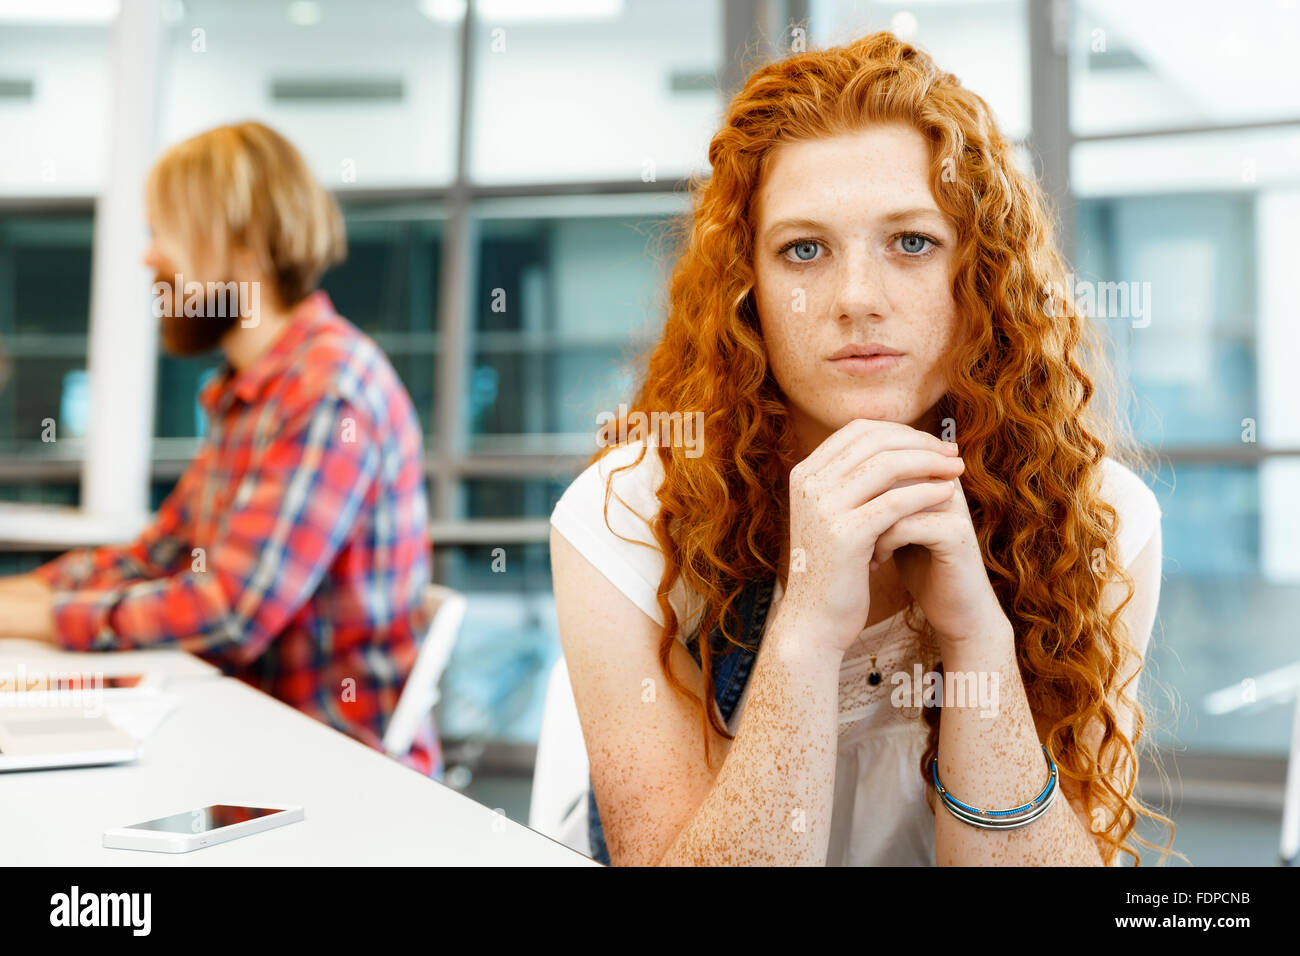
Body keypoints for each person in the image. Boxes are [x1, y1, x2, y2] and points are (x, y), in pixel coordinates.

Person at [549, 32, 1181, 866]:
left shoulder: (1097, 519)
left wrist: (976, 642)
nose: (855, 300)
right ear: (749, 294)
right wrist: (807, 627)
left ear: (980, 279)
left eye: (911, 242)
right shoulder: (624, 516)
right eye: (803, 250)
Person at [0, 121, 441, 779]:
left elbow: (230, 613)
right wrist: (20, 598)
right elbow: (157, 557)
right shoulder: (248, 392)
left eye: (162, 232)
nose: (149, 257)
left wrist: (38, 614)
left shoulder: (328, 389)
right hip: (243, 737)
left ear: (241, 245)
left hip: (329, 772)